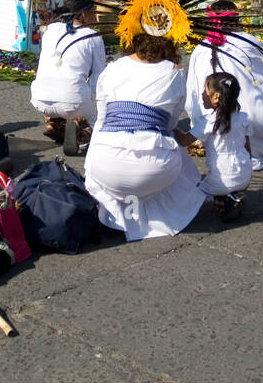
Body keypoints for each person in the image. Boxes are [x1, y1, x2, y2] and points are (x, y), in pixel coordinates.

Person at [84, 30, 204, 241]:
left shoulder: (111, 70)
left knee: (103, 144)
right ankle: (155, 216)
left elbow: (101, 119)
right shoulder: (175, 72)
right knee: (175, 150)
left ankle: (117, 215)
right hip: (155, 170)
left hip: (105, 167)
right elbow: (171, 123)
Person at [186, 0, 263, 170]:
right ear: (237, 20)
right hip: (251, 122)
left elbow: (192, 90)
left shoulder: (200, 49)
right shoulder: (246, 42)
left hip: (209, 122)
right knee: (262, 97)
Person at [30, 0, 106, 146]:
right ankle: (83, 133)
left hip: (39, 99)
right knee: (97, 122)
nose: (95, 17)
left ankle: (54, 123)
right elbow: (98, 77)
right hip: (73, 103)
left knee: (64, 92)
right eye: (93, 12)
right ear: (84, 14)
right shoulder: (93, 36)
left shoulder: (50, 30)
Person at [195, 71, 250, 221]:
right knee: (223, 180)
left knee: (192, 194)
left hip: (220, 181)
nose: (202, 94)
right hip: (245, 175)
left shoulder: (208, 122)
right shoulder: (243, 118)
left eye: (204, 91)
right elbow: (247, 149)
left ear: (216, 97)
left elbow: (184, 141)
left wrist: (174, 129)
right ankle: (232, 195)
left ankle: (227, 199)